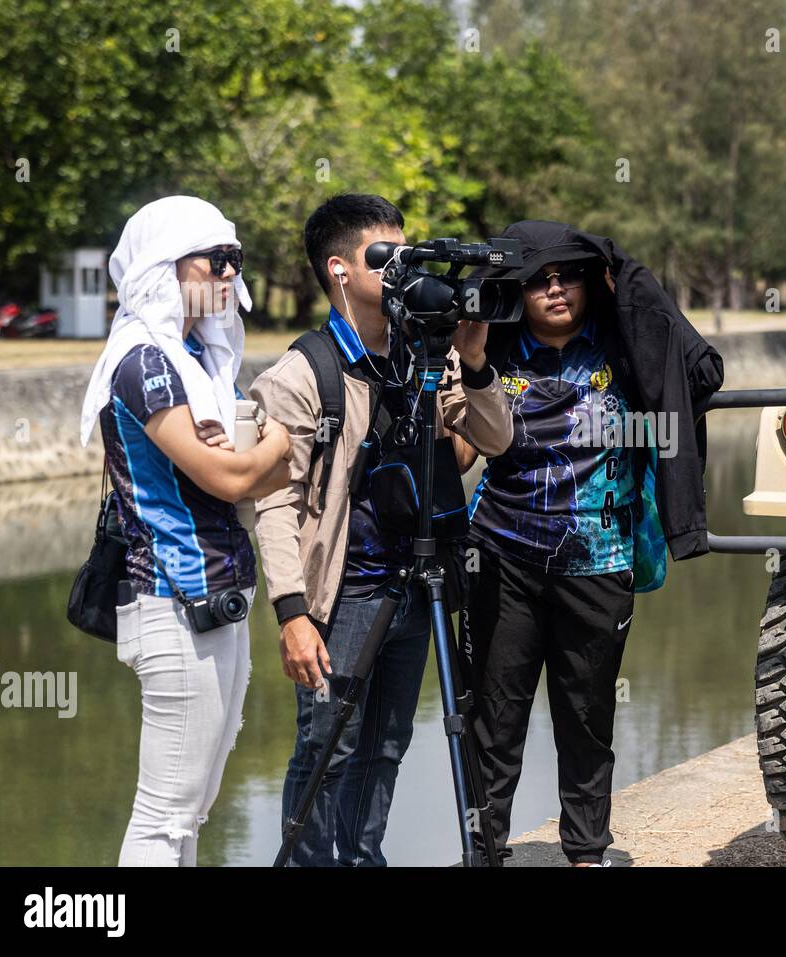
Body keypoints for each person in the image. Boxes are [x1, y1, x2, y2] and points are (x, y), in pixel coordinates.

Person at [249, 193, 513, 866]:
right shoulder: (302, 373)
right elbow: (274, 503)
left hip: (416, 585)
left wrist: (475, 363)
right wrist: (291, 612)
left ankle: (363, 859)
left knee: (385, 749)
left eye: (407, 250)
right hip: (340, 599)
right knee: (325, 749)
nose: (403, 268)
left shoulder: (423, 352)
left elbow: (496, 436)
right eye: (386, 256)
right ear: (340, 270)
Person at [461, 220, 723, 866]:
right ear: (516, 290)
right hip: (502, 559)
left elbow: (703, 371)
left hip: (600, 565)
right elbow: (461, 444)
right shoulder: (491, 349)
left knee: (587, 718)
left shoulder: (623, 347)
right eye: (538, 280)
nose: (555, 290)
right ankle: (483, 851)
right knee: (493, 725)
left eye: (567, 276)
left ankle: (585, 852)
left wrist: (627, 279)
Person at [79, 195, 292, 866]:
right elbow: (229, 480)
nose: (230, 274)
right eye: (215, 260)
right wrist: (279, 442)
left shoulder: (193, 358)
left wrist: (247, 461)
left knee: (194, 806)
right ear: (164, 267)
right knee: (166, 812)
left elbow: (232, 472)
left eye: (236, 259)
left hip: (216, 597)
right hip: (173, 600)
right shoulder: (146, 362)